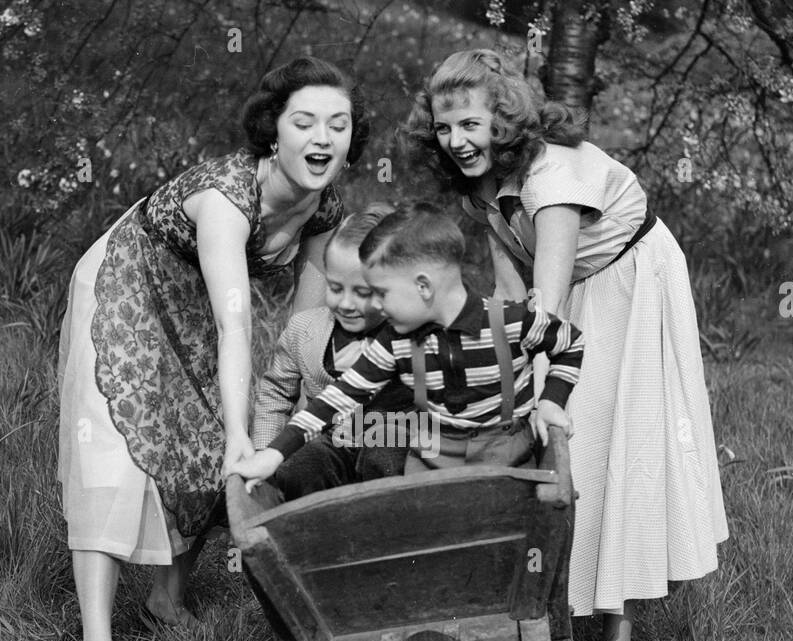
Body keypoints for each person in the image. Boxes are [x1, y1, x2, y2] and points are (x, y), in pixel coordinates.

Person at [402, 48, 728, 641]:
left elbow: (545, 309)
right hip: (579, 284)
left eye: (470, 124)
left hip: (633, 280)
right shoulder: (483, 184)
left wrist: (524, 376)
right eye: (444, 128)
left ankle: (619, 636)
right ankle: (559, 613)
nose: (457, 140)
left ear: (502, 118)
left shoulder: (552, 181)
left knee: (612, 435)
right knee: (552, 424)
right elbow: (508, 292)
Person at [57, 57, 368, 641]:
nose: (321, 139)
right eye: (304, 122)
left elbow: (305, 331)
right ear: (272, 132)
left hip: (195, 301)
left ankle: (166, 600)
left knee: (204, 448)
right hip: (129, 283)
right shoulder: (230, 194)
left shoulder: (324, 206)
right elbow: (236, 324)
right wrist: (237, 432)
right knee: (118, 454)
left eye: (337, 126)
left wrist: (288, 437)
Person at [230, 201, 583, 487]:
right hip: (430, 465)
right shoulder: (397, 342)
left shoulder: (510, 321)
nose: (378, 307)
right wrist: (273, 454)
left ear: (424, 287)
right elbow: (336, 398)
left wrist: (552, 401)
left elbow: (570, 343)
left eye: (381, 293)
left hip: (501, 464)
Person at [251, 203, 413, 501]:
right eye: (336, 288)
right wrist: (265, 451)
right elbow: (275, 392)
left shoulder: (410, 334)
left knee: (387, 454)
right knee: (301, 463)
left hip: (392, 440)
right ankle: (315, 528)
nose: (346, 304)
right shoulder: (304, 330)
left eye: (363, 293)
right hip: (329, 438)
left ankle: (388, 532)